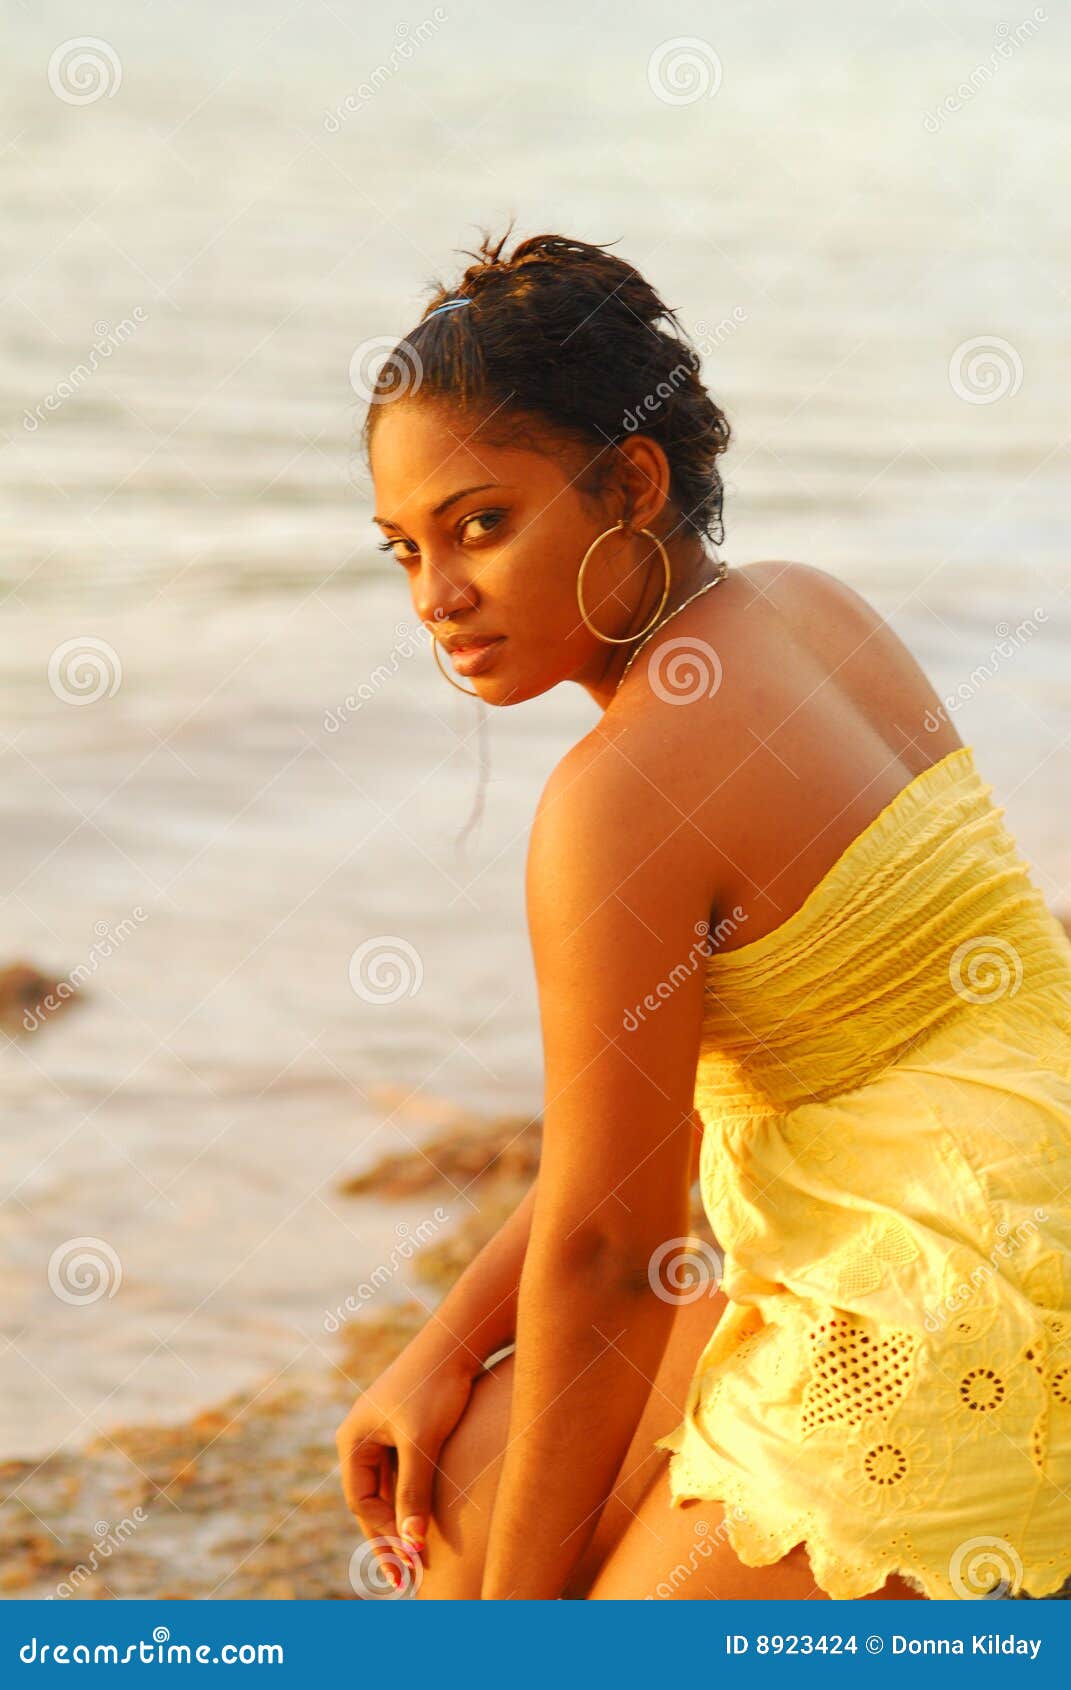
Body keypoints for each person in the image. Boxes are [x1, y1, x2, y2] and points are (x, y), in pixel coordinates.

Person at [335, 228, 1071, 1601]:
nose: (438, 597)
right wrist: (443, 1341)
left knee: (519, 1612)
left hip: (961, 1286)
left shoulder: (619, 795)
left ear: (632, 476)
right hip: (1004, 1171)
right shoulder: (814, 608)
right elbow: (636, 1162)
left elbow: (618, 1258)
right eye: (404, 549)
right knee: (459, 1494)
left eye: (482, 523)